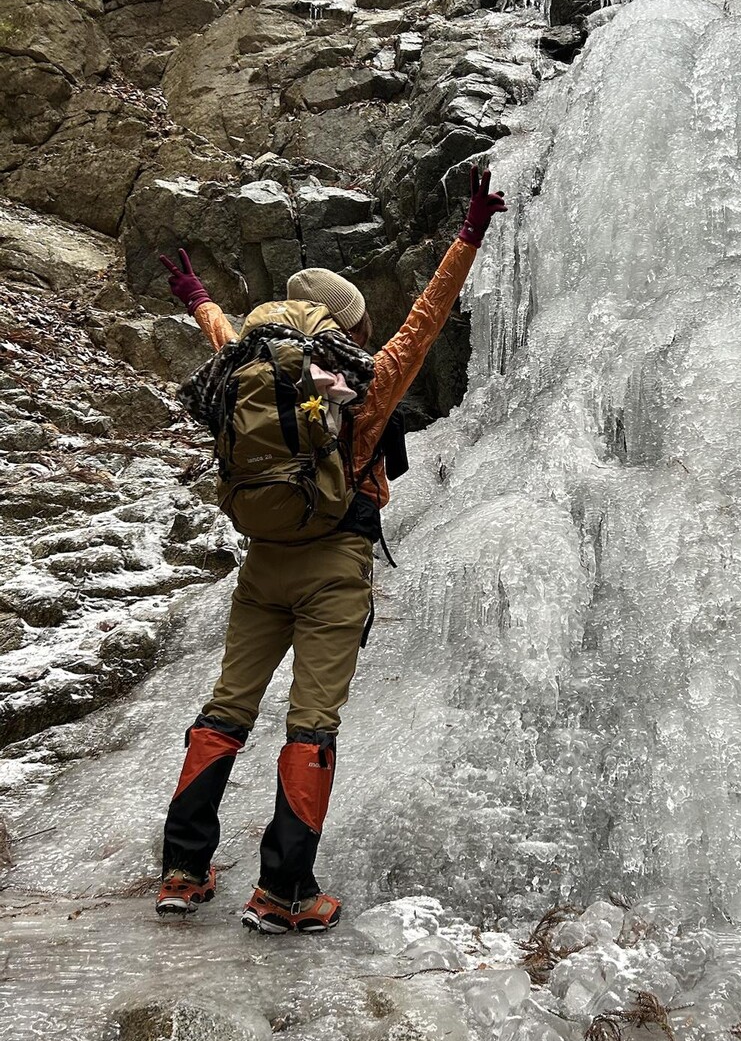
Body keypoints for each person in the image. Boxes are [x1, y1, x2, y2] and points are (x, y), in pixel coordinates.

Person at [154, 167, 507, 934]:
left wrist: (196, 296)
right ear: (345, 328)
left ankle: (182, 871)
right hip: (333, 569)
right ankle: (284, 893)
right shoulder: (363, 383)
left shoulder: (248, 368)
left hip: (263, 564)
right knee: (310, 722)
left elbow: (218, 332)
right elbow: (426, 319)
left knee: (226, 709)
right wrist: (469, 235)